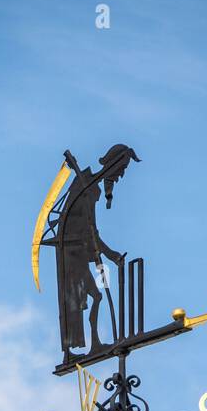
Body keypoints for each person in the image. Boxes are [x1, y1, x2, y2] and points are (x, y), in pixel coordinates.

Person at [55, 144, 140, 355]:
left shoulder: (91, 186)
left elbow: (91, 230)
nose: (122, 173)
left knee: (94, 298)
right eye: (122, 167)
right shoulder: (87, 186)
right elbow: (88, 228)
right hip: (72, 254)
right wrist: (109, 254)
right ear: (114, 163)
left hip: (78, 251)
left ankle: (92, 345)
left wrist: (108, 254)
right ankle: (71, 350)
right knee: (77, 299)